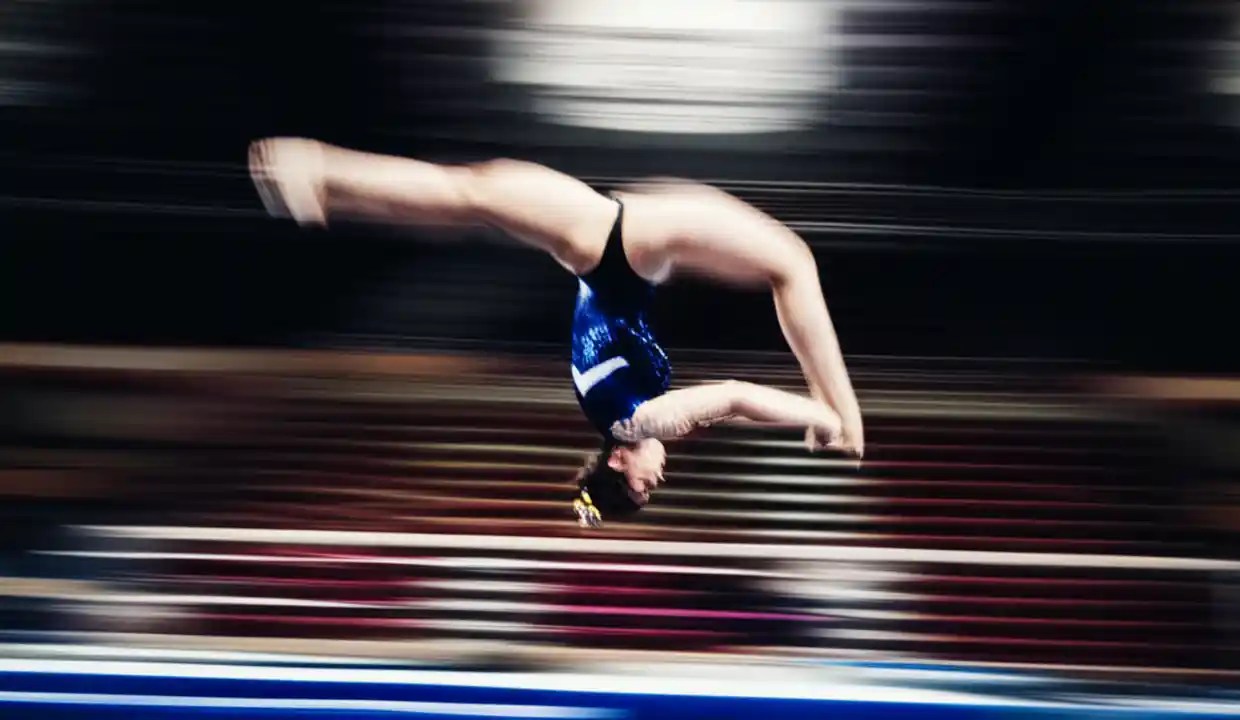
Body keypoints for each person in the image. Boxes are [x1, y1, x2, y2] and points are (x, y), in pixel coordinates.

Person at [248, 138, 865, 527]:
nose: (660, 478)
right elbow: (725, 412)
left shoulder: (640, 422)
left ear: (619, 460)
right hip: (613, 252)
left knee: (792, 263)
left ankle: (316, 165)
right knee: (470, 196)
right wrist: (805, 415)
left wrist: (822, 417)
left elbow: (734, 397)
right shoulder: (620, 413)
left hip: (616, 244)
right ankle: (327, 182)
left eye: (645, 483)